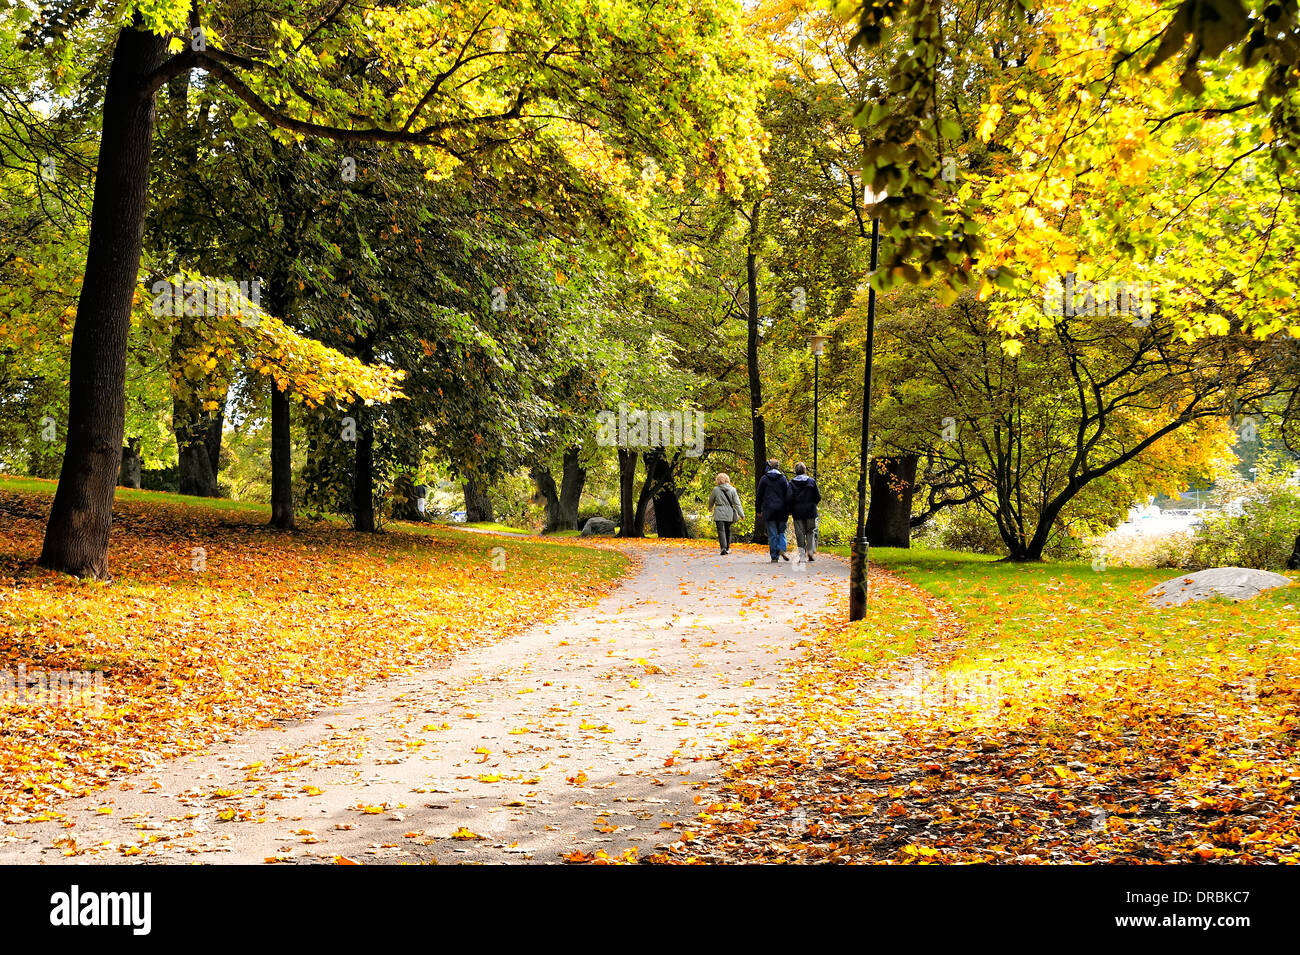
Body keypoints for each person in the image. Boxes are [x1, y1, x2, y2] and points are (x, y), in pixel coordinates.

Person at [755, 458, 792, 563]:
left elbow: (759, 496)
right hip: (782, 510)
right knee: (781, 532)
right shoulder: (783, 479)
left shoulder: (764, 479)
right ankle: (782, 549)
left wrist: (758, 509)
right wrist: (789, 509)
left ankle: (774, 556)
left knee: (772, 534)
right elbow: (788, 495)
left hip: (769, 510)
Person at [788, 462, 821, 564]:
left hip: (797, 512)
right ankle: (810, 552)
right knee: (810, 531)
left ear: (796, 471)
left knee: (800, 534)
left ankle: (802, 555)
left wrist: (790, 509)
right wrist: (812, 504)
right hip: (811, 511)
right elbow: (818, 497)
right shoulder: (811, 482)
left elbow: (789, 498)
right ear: (805, 470)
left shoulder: (792, 483)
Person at [707, 473, 744, 555]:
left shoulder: (715, 489)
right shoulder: (732, 490)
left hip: (719, 512)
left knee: (721, 530)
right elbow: (737, 503)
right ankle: (727, 548)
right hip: (729, 512)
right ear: (727, 480)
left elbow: (711, 500)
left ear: (718, 480)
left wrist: (710, 507)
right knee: (728, 530)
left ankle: (723, 548)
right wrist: (742, 514)